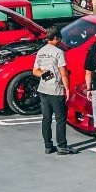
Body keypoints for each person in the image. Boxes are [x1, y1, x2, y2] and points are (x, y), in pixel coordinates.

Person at [31, 28, 71, 156]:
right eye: (59, 38)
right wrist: (67, 89)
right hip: (55, 90)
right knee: (60, 119)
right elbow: (63, 73)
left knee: (46, 119)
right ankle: (62, 146)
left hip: (43, 89)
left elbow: (35, 71)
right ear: (56, 38)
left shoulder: (41, 51)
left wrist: (44, 74)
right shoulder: (59, 52)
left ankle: (48, 146)